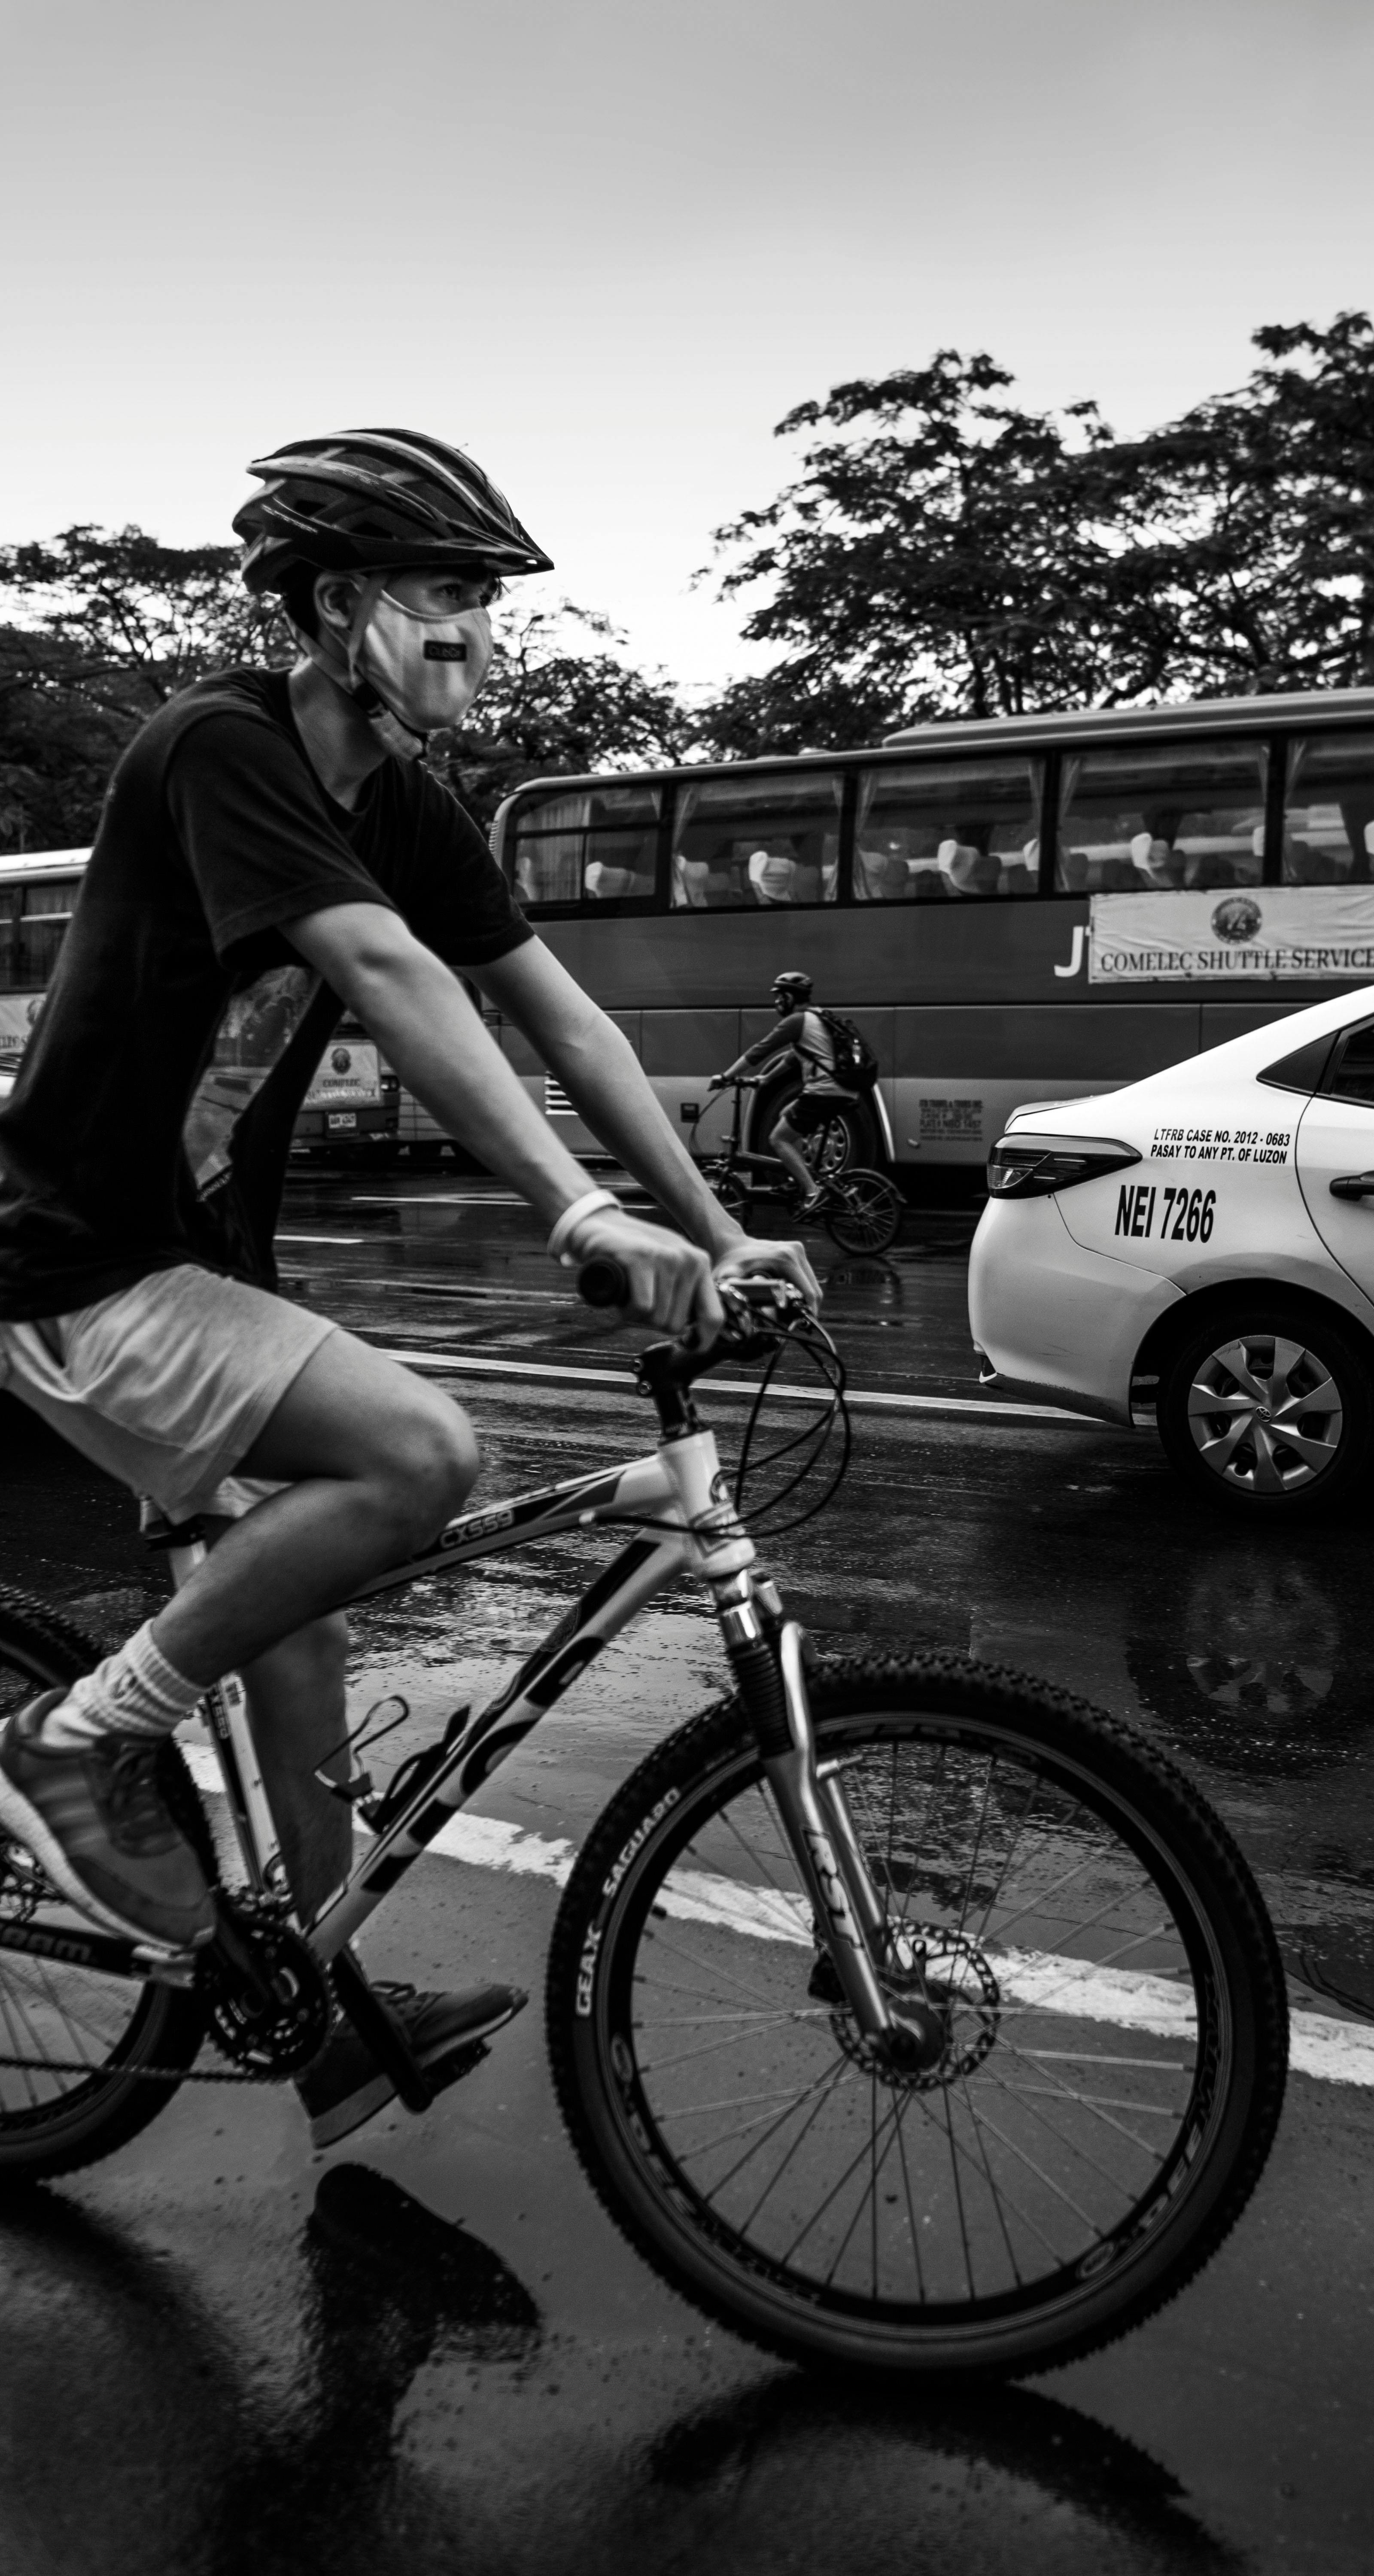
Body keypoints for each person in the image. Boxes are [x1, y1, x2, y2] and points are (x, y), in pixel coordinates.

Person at [0, 426, 817, 2148]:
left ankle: (326, 2026)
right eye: (449, 599)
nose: (478, 638)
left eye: (487, 606)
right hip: (68, 1259)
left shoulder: (406, 804)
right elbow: (377, 967)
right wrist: (574, 1216)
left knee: (291, 1621)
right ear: (337, 607)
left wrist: (719, 1228)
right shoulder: (213, 748)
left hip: (189, 1263)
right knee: (421, 1458)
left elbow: (561, 1018)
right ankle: (74, 1748)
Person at [711, 971, 862, 1216]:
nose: (777, 1003)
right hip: (844, 1091)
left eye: (780, 997)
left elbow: (759, 1051)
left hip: (824, 1092)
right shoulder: (818, 1017)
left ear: (791, 998)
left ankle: (813, 1192)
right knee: (785, 1114)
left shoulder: (797, 1021)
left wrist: (726, 1076)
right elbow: (795, 1057)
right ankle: (803, 1175)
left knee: (778, 1139)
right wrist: (766, 1079)